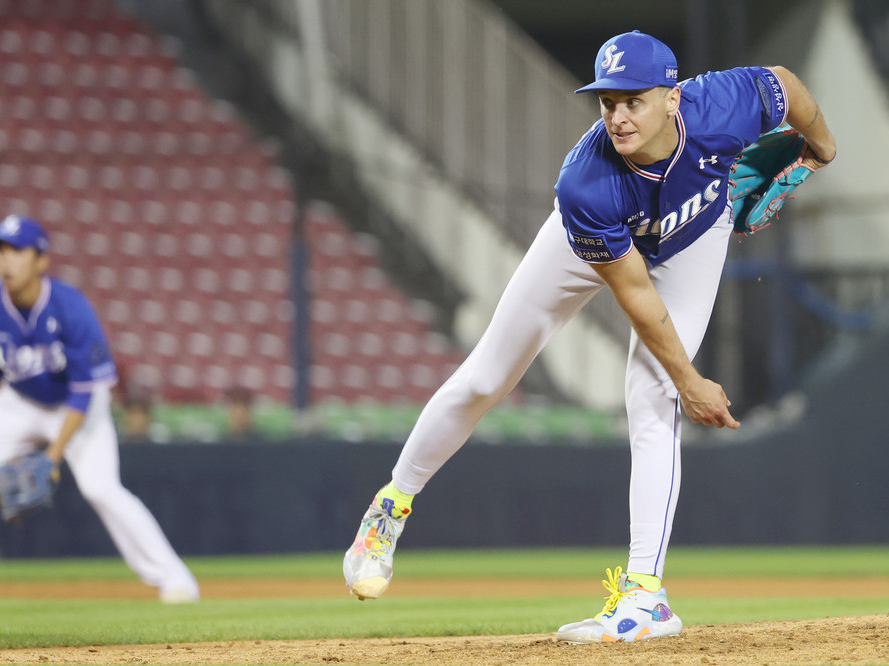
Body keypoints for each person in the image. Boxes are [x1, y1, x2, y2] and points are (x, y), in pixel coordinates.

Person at [343, 30, 835, 643]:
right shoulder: (586, 184)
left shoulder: (722, 103)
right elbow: (636, 295)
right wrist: (692, 380)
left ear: (673, 98)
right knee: (489, 375)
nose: (619, 116)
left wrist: (820, 152)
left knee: (650, 399)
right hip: (608, 243)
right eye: (608, 102)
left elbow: (787, 86)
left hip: (693, 236)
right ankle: (390, 507)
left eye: (634, 100)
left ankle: (646, 599)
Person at [0, 215, 200, 603]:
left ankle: (175, 579)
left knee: (101, 488)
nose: (6, 260)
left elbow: (83, 391)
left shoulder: (70, 307)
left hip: (76, 405)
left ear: (42, 261)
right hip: (18, 400)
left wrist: (52, 457)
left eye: (17, 251)